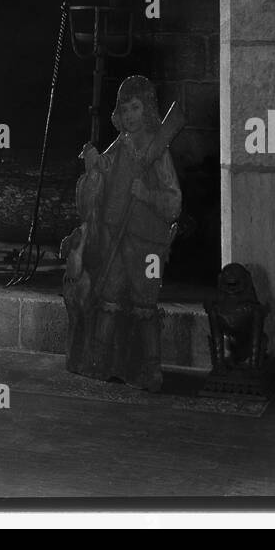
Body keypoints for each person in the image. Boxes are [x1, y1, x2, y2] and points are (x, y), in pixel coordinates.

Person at [62, 75, 184, 391]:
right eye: (124, 109)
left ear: (148, 111)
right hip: (115, 237)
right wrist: (93, 160)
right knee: (109, 298)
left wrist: (146, 194)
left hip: (145, 242)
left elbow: (173, 202)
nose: (129, 116)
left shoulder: (158, 151)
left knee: (144, 304)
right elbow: (105, 167)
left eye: (135, 108)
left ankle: (149, 368)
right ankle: (101, 361)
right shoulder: (124, 142)